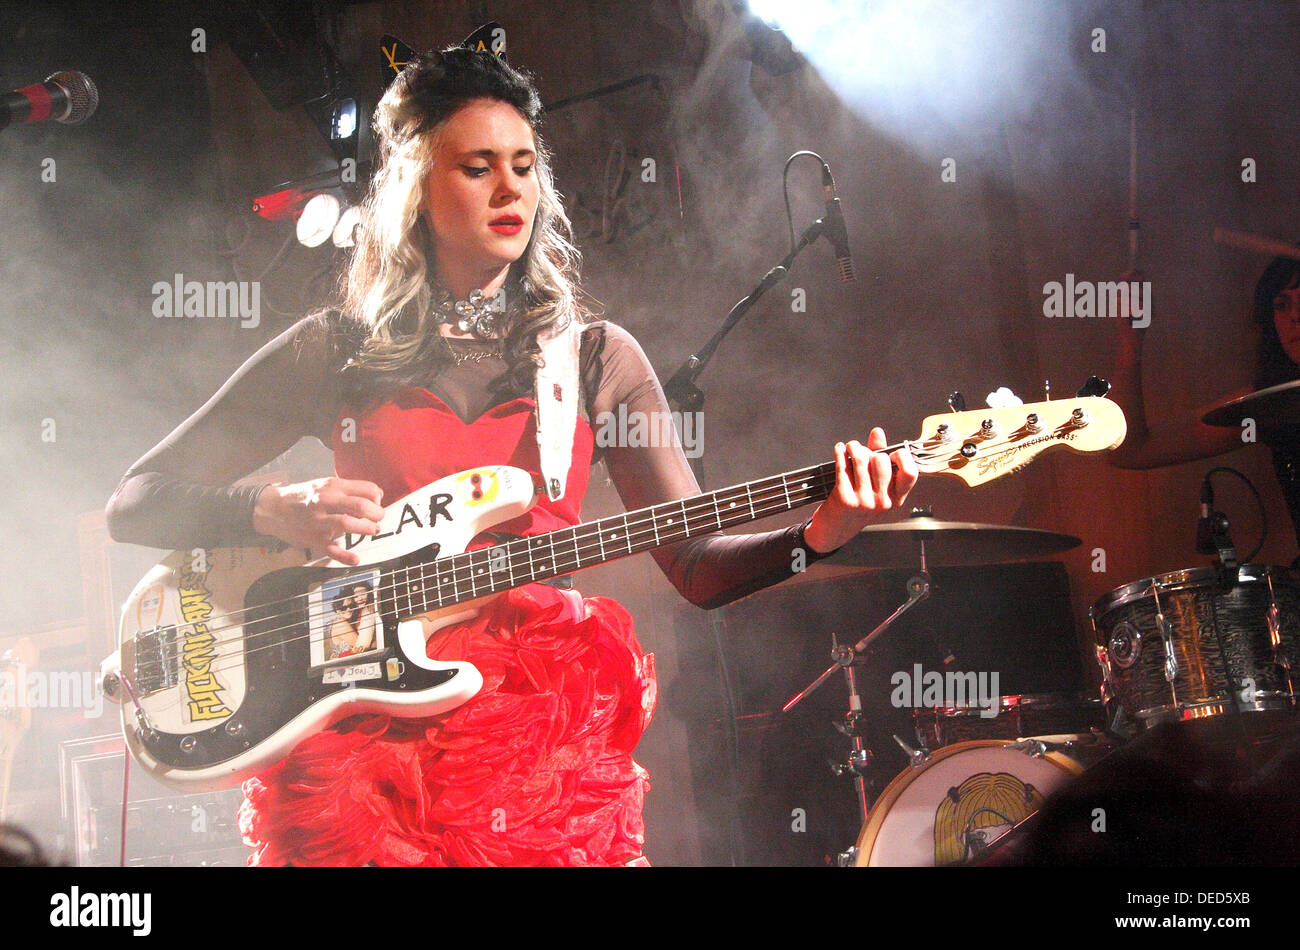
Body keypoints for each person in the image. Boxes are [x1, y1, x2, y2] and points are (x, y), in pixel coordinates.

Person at [104, 46, 917, 866]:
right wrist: (268, 508)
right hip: (360, 735)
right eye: (478, 167)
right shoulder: (335, 350)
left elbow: (694, 565)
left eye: (525, 167)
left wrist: (820, 533)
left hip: (534, 737)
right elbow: (136, 499)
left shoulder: (597, 359)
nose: (511, 190)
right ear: (417, 188)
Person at [1110, 260, 1300, 562]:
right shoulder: (1271, 404)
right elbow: (1130, 449)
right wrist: (1131, 341)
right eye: (1281, 304)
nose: (1295, 316)